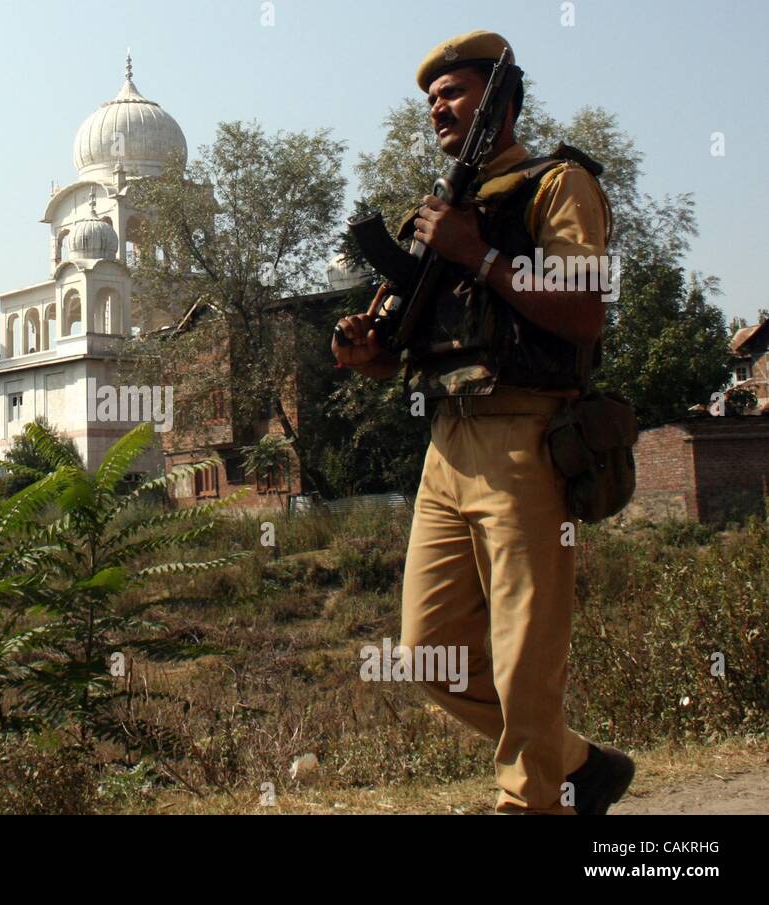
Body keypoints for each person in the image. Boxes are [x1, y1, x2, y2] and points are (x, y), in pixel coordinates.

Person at [334, 31, 634, 814]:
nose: (439, 107)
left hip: (528, 437)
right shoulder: (440, 215)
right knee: (428, 653)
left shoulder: (556, 184)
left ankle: (526, 799)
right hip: (447, 445)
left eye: (455, 92)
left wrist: (480, 256)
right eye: (431, 99)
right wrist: (368, 350)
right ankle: (576, 762)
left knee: (524, 658)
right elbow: (408, 350)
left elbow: (584, 312)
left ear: (501, 100)